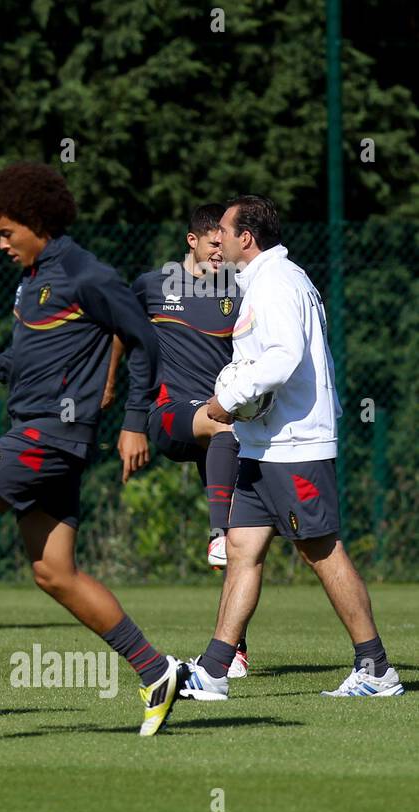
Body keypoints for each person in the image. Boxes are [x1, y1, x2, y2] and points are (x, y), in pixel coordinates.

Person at [0, 162, 186, 736]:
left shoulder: (86, 274)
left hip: (48, 434)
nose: (0, 242)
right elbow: (21, 358)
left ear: (37, 222)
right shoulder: (33, 278)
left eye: (7, 232)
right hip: (40, 431)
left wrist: (133, 422)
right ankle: (157, 670)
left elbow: (144, 338)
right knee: (54, 572)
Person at [180, 195, 404, 700]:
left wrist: (226, 399)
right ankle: (215, 670)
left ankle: (375, 668)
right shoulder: (264, 280)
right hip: (263, 446)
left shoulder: (277, 283)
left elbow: (282, 359)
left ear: (247, 238)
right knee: (241, 549)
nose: (218, 238)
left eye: (227, 230)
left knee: (320, 550)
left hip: (294, 444)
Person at [115, 203, 251, 676]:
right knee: (224, 427)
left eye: (226, 243)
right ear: (192, 242)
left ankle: (233, 650)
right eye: (213, 243)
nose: (221, 251)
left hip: (220, 421)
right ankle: (216, 535)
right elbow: (121, 331)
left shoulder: (240, 288)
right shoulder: (152, 285)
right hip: (170, 414)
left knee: (245, 536)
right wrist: (112, 388)